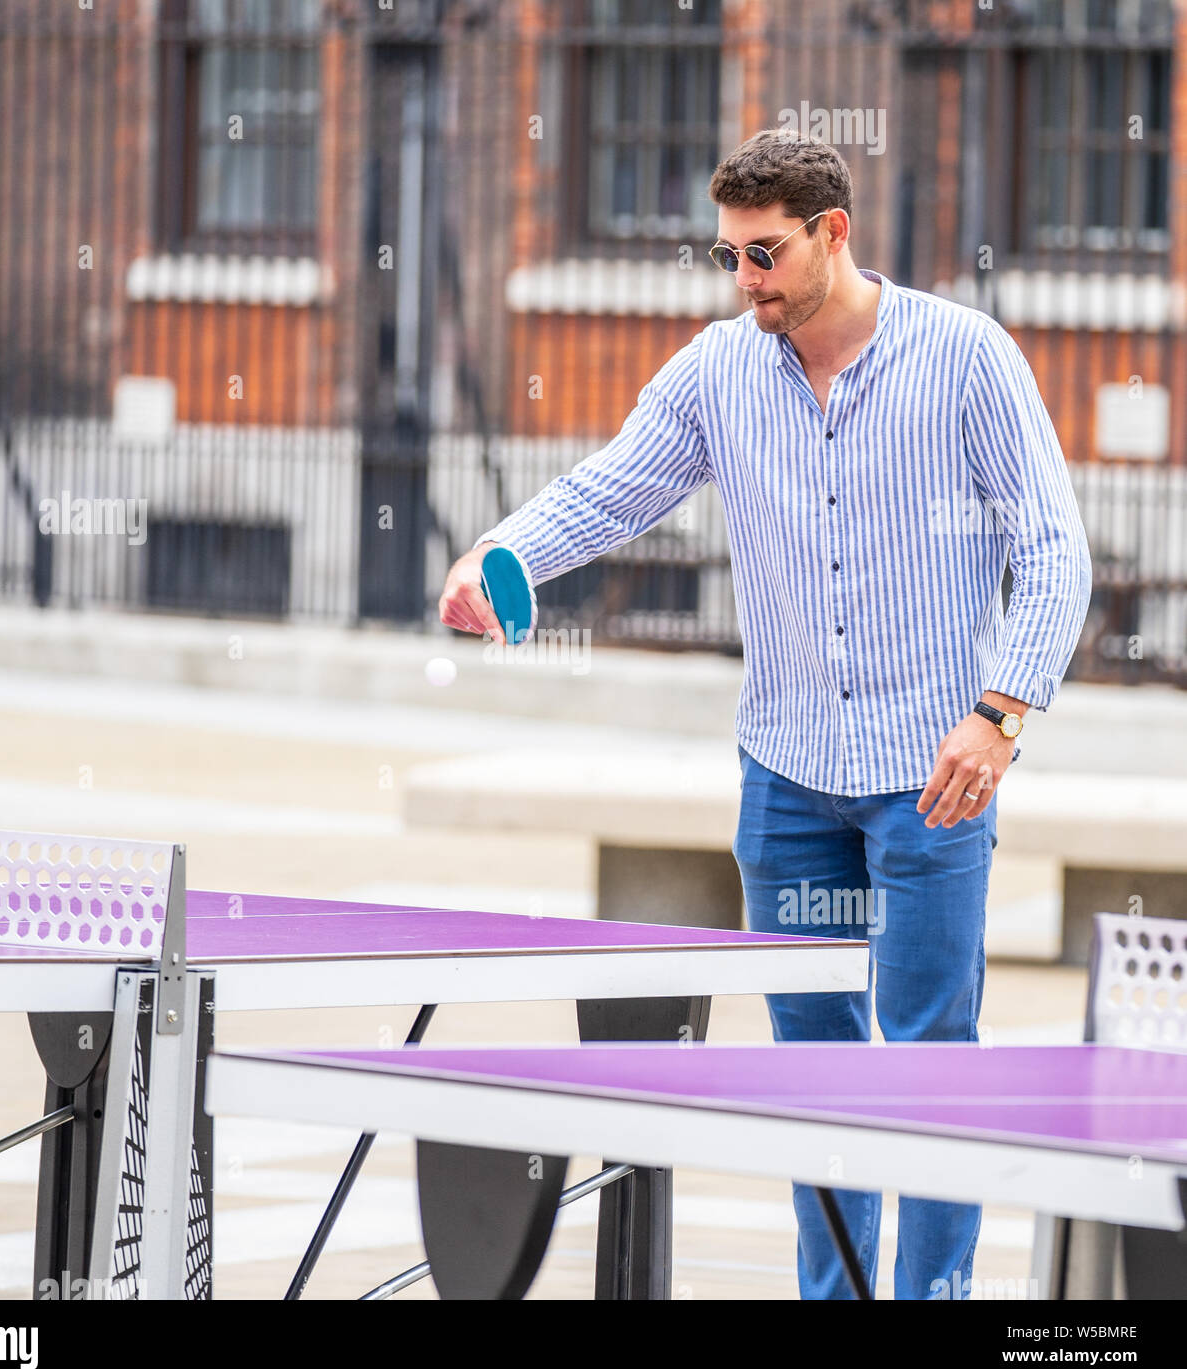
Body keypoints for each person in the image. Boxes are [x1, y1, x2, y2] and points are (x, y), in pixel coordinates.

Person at [436, 129, 1093, 1299]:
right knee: (815, 1068)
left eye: (763, 254)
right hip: (785, 778)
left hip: (930, 776)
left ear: (831, 234)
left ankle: (930, 1294)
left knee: (931, 1056)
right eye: (727, 254)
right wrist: (502, 551)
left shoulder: (965, 359)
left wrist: (998, 715)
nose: (744, 280)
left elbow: (1052, 550)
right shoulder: (719, 368)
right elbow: (613, 486)